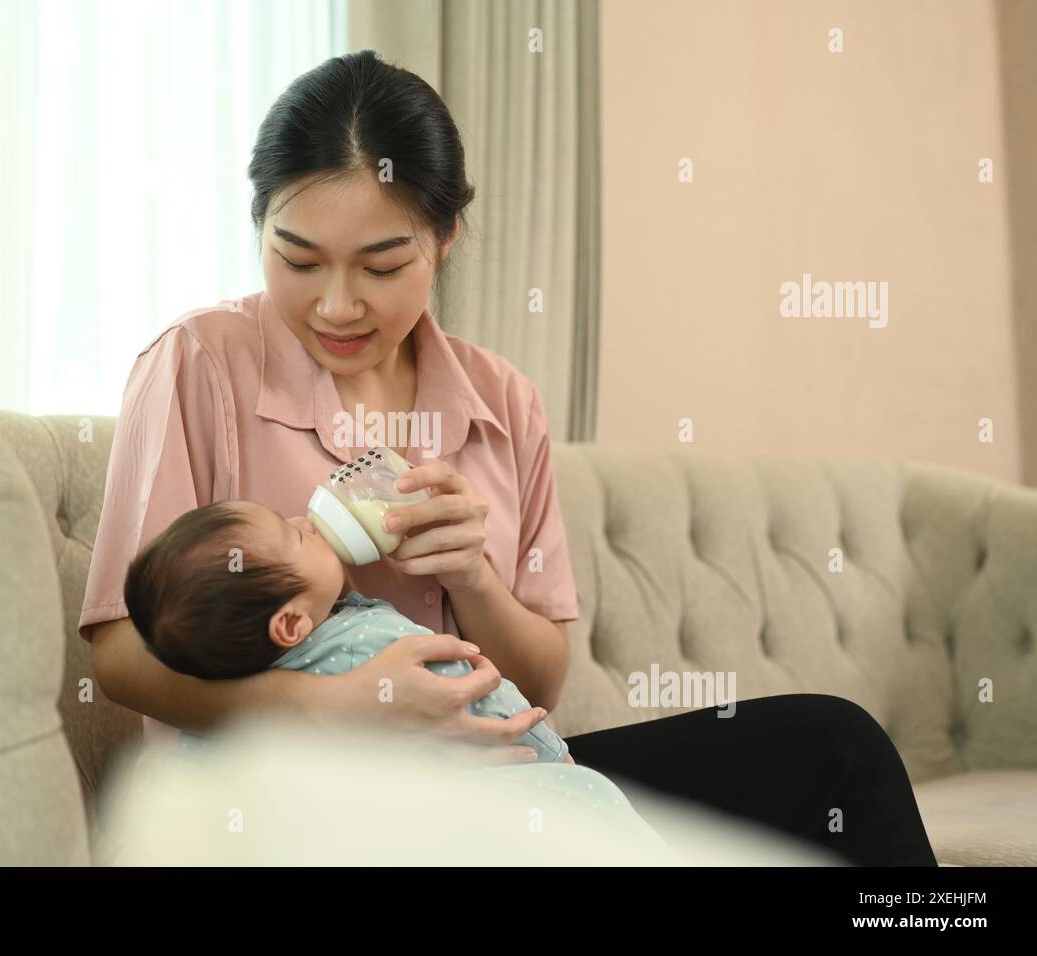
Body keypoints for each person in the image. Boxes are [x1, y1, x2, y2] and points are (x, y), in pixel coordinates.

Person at [80, 49, 937, 866]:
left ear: (445, 237)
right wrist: (339, 703)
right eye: (298, 259)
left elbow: (541, 682)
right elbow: (121, 655)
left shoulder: (501, 400)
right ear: (259, 226)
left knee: (833, 748)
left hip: (495, 779)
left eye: (382, 265)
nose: (337, 306)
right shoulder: (199, 364)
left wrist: (474, 579)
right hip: (294, 800)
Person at [121, 498, 572, 763]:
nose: (302, 521)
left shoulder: (216, 718)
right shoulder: (369, 647)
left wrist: (473, 576)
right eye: (295, 537)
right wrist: (554, 758)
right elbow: (486, 703)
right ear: (291, 623)